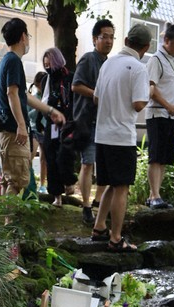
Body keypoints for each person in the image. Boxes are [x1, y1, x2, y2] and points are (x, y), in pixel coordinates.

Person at [92, 23, 151, 251]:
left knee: (111, 183)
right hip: (121, 136)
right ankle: (116, 238)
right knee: (122, 187)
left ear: (126, 41)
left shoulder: (108, 63)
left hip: (102, 134)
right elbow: (138, 104)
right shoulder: (138, 68)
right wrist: (150, 92)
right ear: (146, 47)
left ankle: (99, 227)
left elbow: (96, 98)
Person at [0, 18, 65, 196]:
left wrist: (50, 110)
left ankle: (5, 215)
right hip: (14, 131)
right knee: (17, 181)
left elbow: (23, 96)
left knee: (8, 180)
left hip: (7, 130)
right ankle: (10, 216)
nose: (28, 40)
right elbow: (12, 93)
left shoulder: (6, 60)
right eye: (28, 36)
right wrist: (21, 125)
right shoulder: (14, 61)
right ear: (23, 37)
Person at [72, 19, 115, 226]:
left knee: (105, 165)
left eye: (112, 37)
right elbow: (76, 85)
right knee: (88, 163)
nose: (109, 41)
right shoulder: (88, 59)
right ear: (94, 39)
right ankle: (86, 206)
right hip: (88, 120)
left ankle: (98, 201)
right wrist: (97, 95)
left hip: (106, 121)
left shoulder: (110, 63)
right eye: (104, 37)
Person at [145, 22, 174, 210]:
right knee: (156, 157)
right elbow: (151, 89)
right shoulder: (156, 60)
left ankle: (154, 196)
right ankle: (155, 195)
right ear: (166, 40)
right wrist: (168, 105)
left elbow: (168, 86)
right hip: (158, 114)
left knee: (164, 158)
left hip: (171, 116)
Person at [39, 47, 74, 207]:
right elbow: (42, 103)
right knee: (51, 158)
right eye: (45, 65)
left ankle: (69, 182)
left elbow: (73, 101)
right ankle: (56, 195)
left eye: (50, 64)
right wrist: (40, 120)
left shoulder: (69, 78)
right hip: (51, 125)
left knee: (65, 155)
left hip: (67, 123)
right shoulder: (46, 80)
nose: (48, 68)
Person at [28, 70, 47, 192]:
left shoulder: (48, 97)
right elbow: (28, 114)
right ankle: (29, 183)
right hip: (34, 129)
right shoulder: (33, 98)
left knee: (44, 159)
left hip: (45, 130)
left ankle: (42, 185)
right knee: (30, 156)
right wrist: (38, 108)